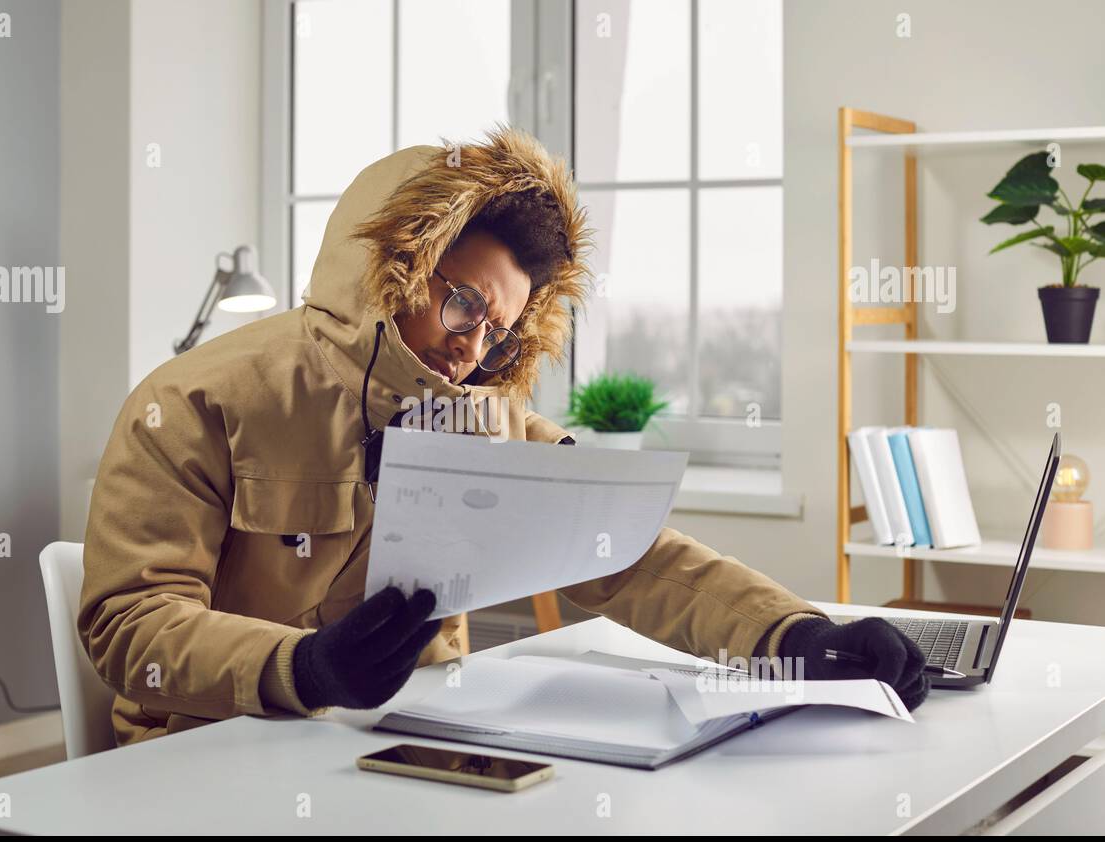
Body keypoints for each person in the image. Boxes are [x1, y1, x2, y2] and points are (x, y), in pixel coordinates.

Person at [78, 126, 929, 747]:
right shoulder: (194, 400)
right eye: (464, 306)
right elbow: (130, 623)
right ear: (394, 268)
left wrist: (795, 635)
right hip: (212, 758)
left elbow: (625, 552)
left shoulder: (486, 416)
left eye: (499, 331)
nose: (472, 346)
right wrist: (303, 668)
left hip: (409, 750)